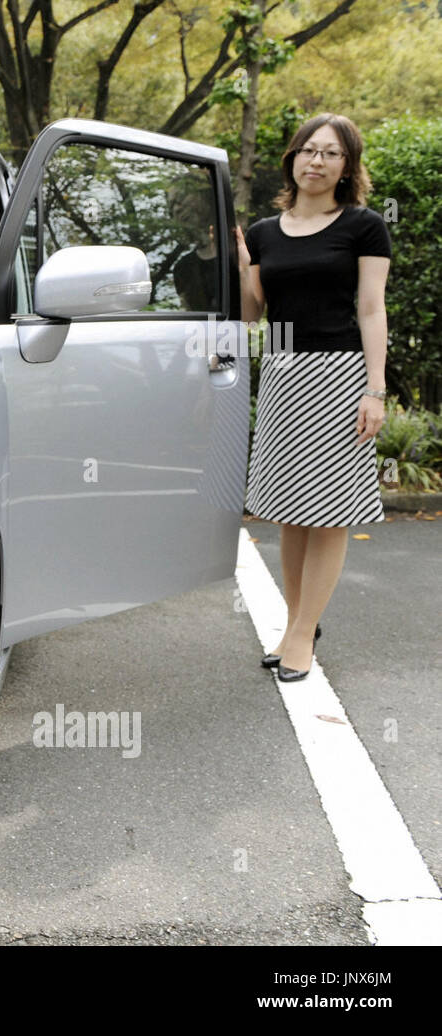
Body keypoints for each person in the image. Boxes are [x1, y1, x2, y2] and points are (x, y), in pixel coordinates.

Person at [234, 112, 392, 683]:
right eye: (308, 150)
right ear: (292, 158)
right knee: (290, 515)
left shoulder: (363, 227)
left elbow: (371, 308)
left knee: (328, 515)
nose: (316, 161)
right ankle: (298, 620)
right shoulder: (264, 230)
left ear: (347, 166)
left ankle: (302, 633)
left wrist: (375, 389)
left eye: (331, 153)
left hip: (340, 377)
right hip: (282, 375)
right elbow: (254, 314)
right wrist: (244, 262)